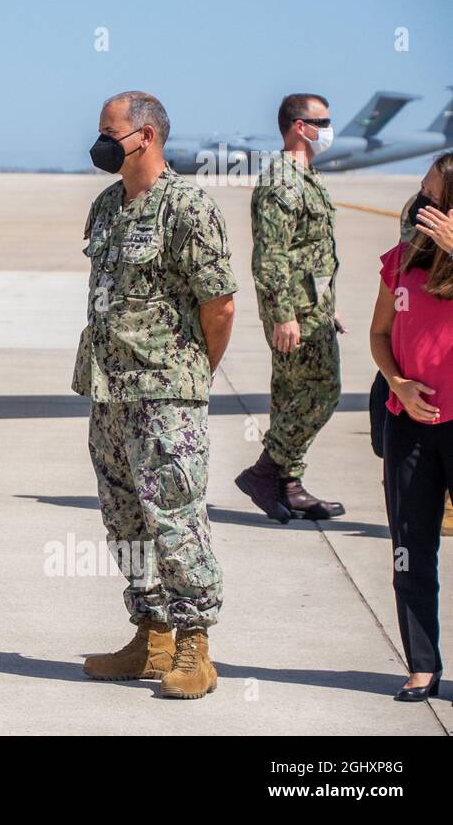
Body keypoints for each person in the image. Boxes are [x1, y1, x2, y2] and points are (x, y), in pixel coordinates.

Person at [75, 91, 236, 700]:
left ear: (144, 136)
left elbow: (218, 305)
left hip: (166, 395)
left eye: (108, 130)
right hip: (108, 392)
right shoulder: (107, 206)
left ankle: (195, 643)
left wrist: (191, 376)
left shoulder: (188, 208)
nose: (99, 140)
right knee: (125, 520)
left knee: (175, 518)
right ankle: (151, 634)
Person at [236, 93, 345, 522]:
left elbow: (308, 253)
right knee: (323, 391)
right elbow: (271, 254)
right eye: (324, 121)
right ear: (300, 127)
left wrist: (326, 306)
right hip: (294, 313)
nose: (330, 129)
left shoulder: (306, 177)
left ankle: (289, 484)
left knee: (289, 397)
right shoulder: (283, 180)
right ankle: (265, 472)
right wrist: (284, 314)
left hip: (310, 308)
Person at [370, 152, 453, 702]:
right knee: (410, 547)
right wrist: (397, 383)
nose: (420, 196)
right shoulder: (399, 260)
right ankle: (422, 664)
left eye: (432, 189)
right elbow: (379, 334)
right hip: (409, 425)